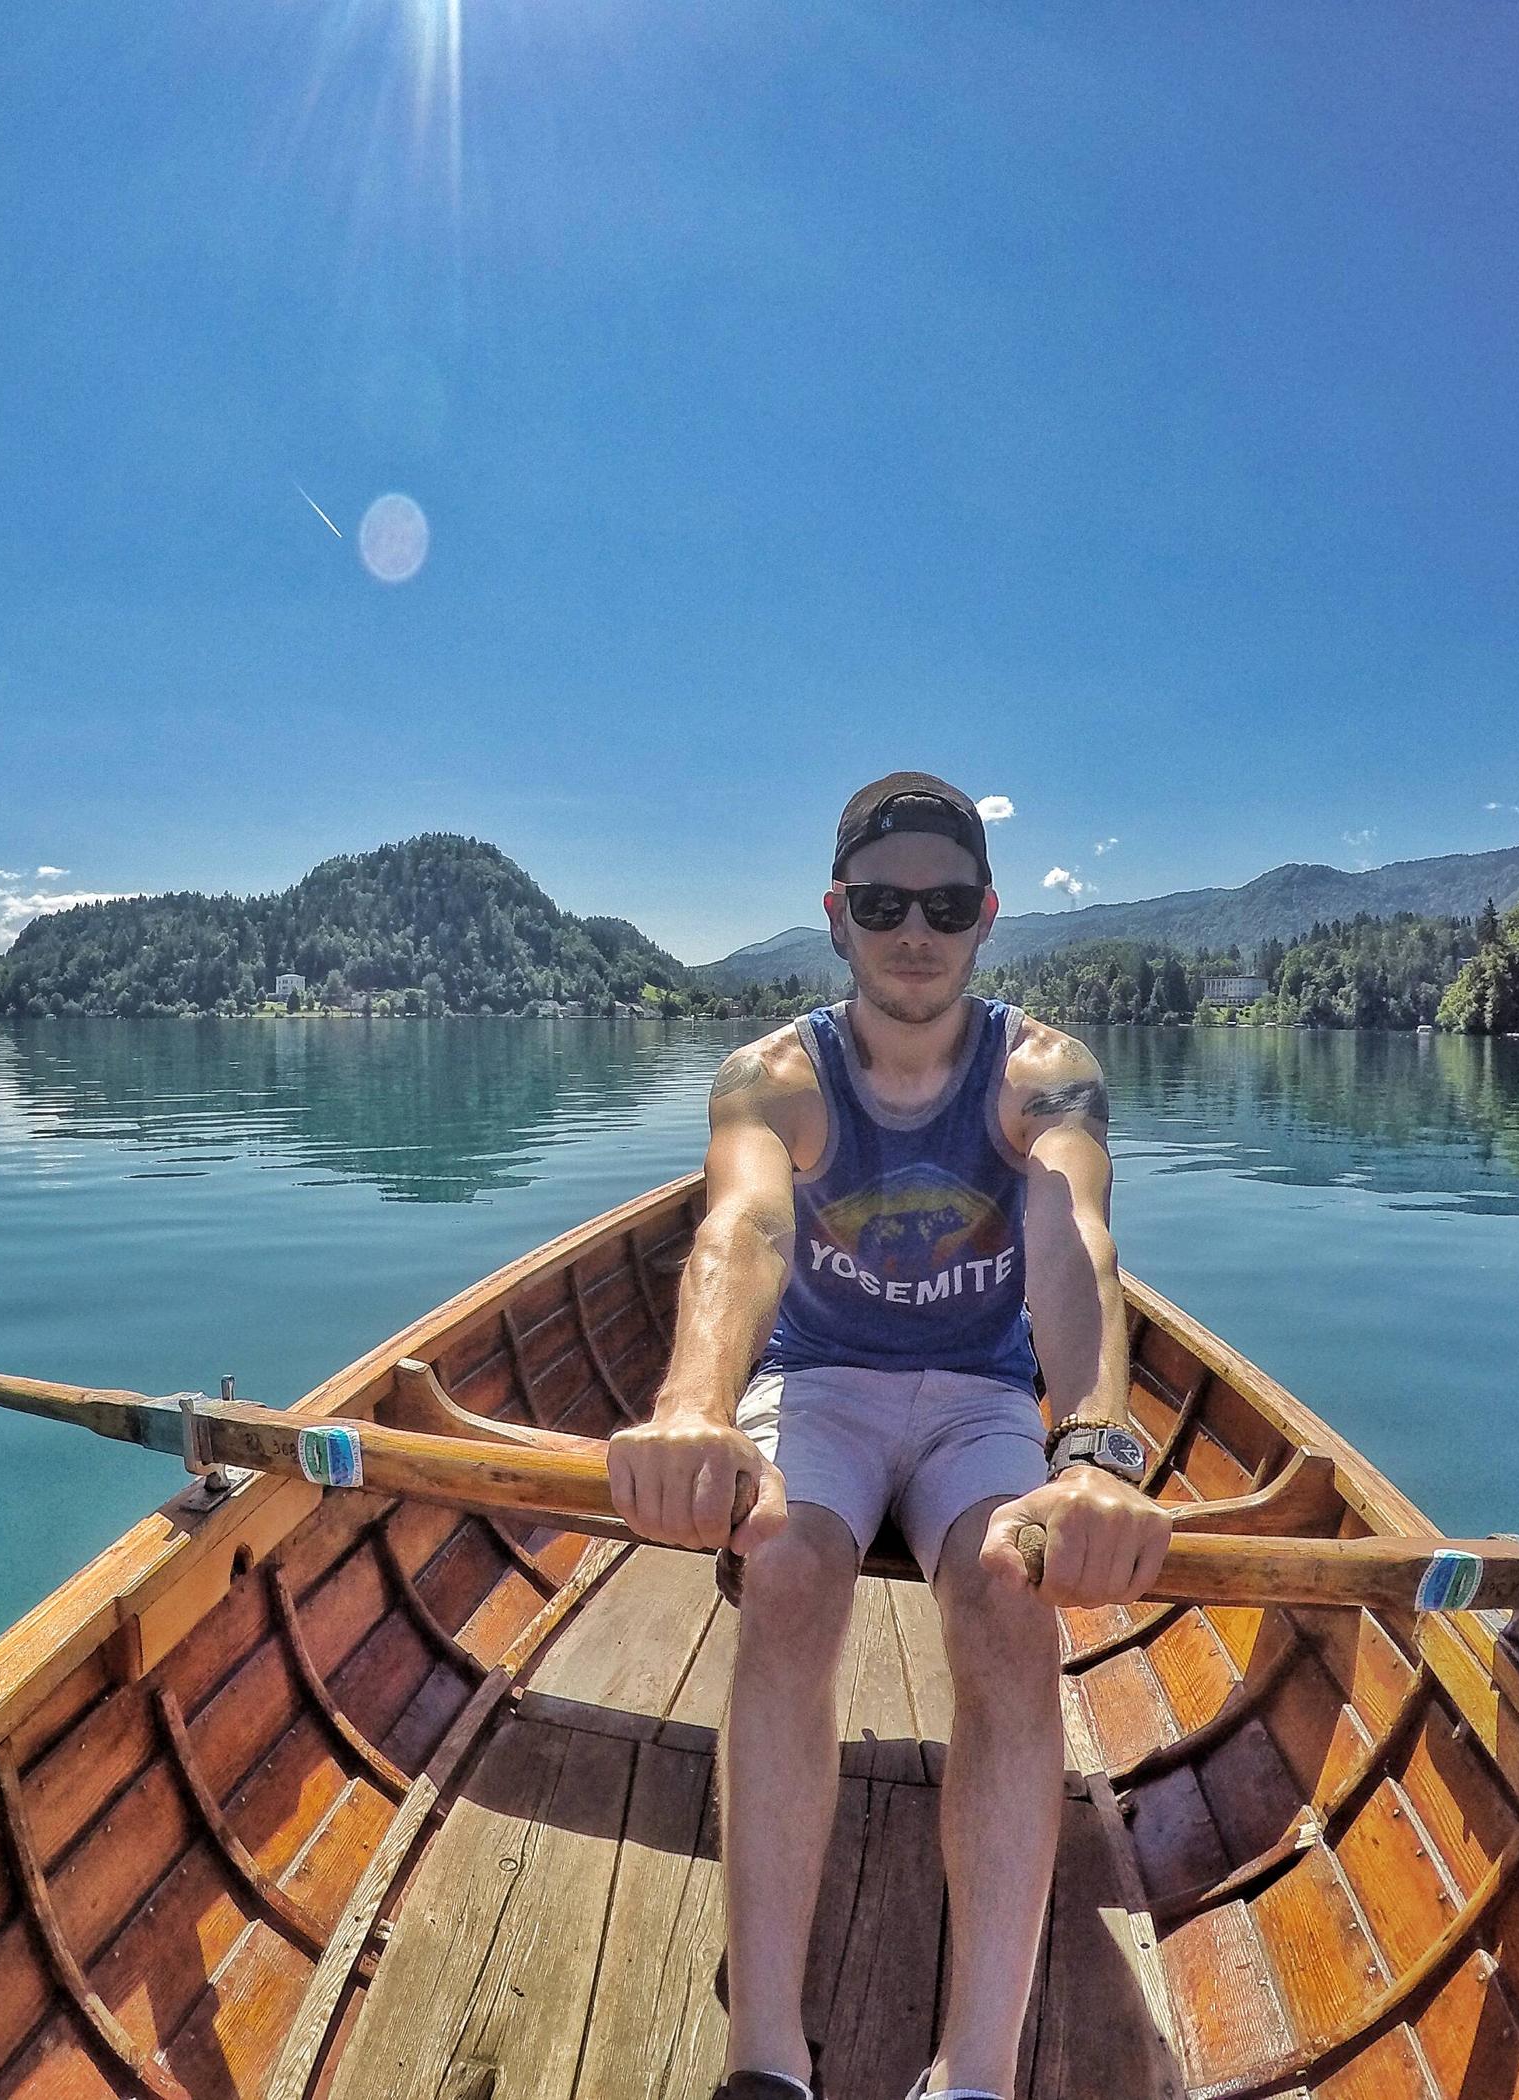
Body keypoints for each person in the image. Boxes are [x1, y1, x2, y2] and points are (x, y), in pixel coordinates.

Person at [606, 772, 1172, 2100]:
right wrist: (691, 1405)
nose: (911, 932)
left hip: (982, 1398)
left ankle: (974, 2071)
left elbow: (1073, 1246)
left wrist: (1093, 1451)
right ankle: (768, 2061)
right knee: (788, 1578)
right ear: (837, 915)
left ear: (985, 918)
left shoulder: (1045, 1075)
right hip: (821, 1386)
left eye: (943, 905)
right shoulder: (773, 1076)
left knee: (1009, 1607)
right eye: (880, 904)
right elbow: (738, 1233)